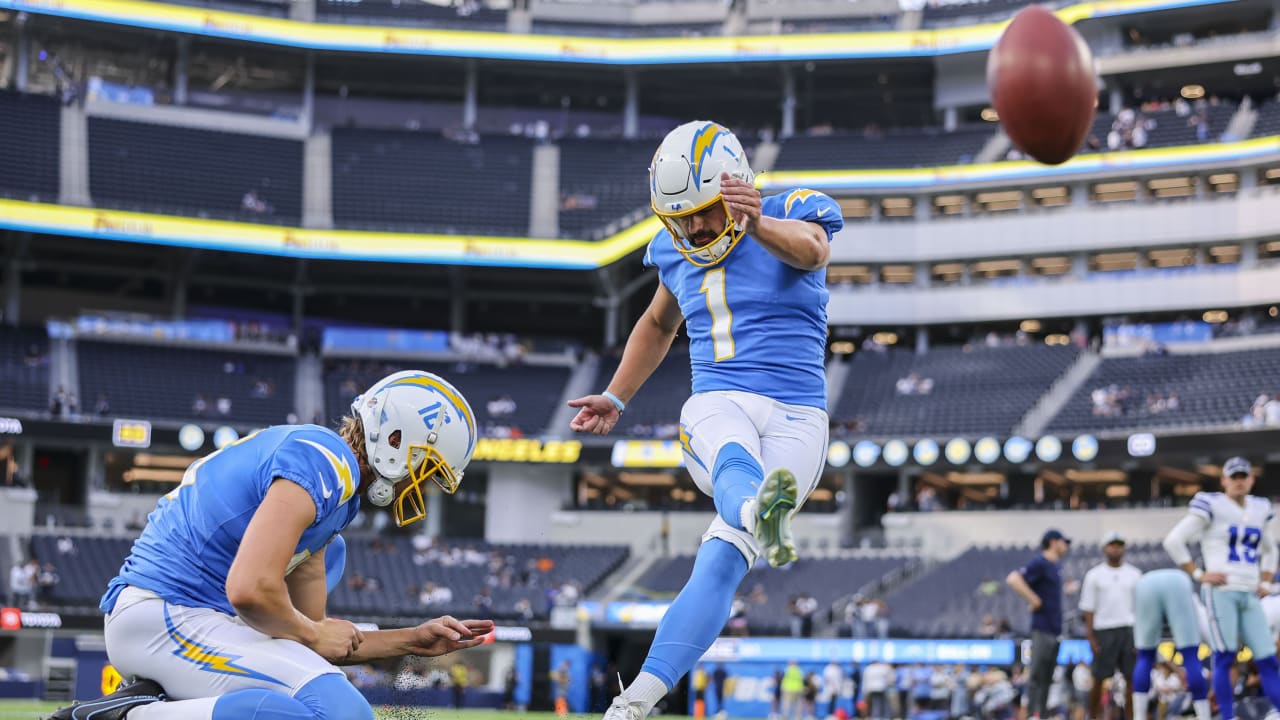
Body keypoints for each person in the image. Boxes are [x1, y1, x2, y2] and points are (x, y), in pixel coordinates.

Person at [567, 120, 843, 720]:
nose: (694, 227)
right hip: (725, 409)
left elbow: (815, 250)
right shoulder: (673, 249)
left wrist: (757, 223)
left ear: (738, 187)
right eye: (683, 216)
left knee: (721, 547)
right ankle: (754, 513)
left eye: (705, 211)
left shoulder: (793, 208)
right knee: (710, 429)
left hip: (798, 419)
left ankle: (638, 698)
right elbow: (658, 323)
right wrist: (615, 396)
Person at [47, 370, 491, 720]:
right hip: (166, 611)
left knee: (307, 705)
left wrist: (411, 640)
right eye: (427, 470)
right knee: (341, 712)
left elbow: (313, 643)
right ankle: (127, 717)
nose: (422, 486)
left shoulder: (337, 496)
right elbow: (251, 590)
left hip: (197, 618)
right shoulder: (324, 458)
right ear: (397, 441)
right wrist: (315, 632)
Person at [1162, 456, 1280, 720]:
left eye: (1243, 477)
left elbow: (1271, 549)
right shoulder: (1212, 503)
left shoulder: (1260, 508)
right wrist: (1199, 573)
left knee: (1268, 658)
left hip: (1250, 593)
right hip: (1222, 591)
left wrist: (1265, 581)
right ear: (1224, 480)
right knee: (1225, 656)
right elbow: (1174, 541)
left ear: (1251, 480)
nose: (1239, 482)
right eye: (1234, 477)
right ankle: (1226, 716)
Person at [1006, 528, 1071, 720]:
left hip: (1054, 629)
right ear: (1053, 542)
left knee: (1046, 677)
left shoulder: (1055, 566)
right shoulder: (1041, 563)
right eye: (1063, 541)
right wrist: (1034, 599)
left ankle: (1041, 714)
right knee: (1036, 675)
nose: (1066, 546)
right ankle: (1033, 715)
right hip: (1042, 629)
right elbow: (1013, 579)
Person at [1129, 569, 1210, 720]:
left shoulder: (1143, 582)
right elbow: (1204, 624)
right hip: (1179, 584)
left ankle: (1138, 717)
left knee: (1144, 657)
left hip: (1146, 585)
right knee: (1191, 656)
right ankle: (1204, 716)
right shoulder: (1183, 585)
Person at [1079, 531, 1141, 720]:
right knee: (1098, 679)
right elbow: (1088, 608)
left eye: (1119, 545)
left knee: (1132, 679)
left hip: (1129, 629)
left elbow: (1141, 607)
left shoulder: (1135, 574)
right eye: (1112, 545)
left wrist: (1140, 635)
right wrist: (1090, 636)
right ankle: (1093, 716)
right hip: (1104, 630)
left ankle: (1132, 717)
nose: (1116, 548)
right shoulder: (1094, 575)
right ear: (1105, 548)